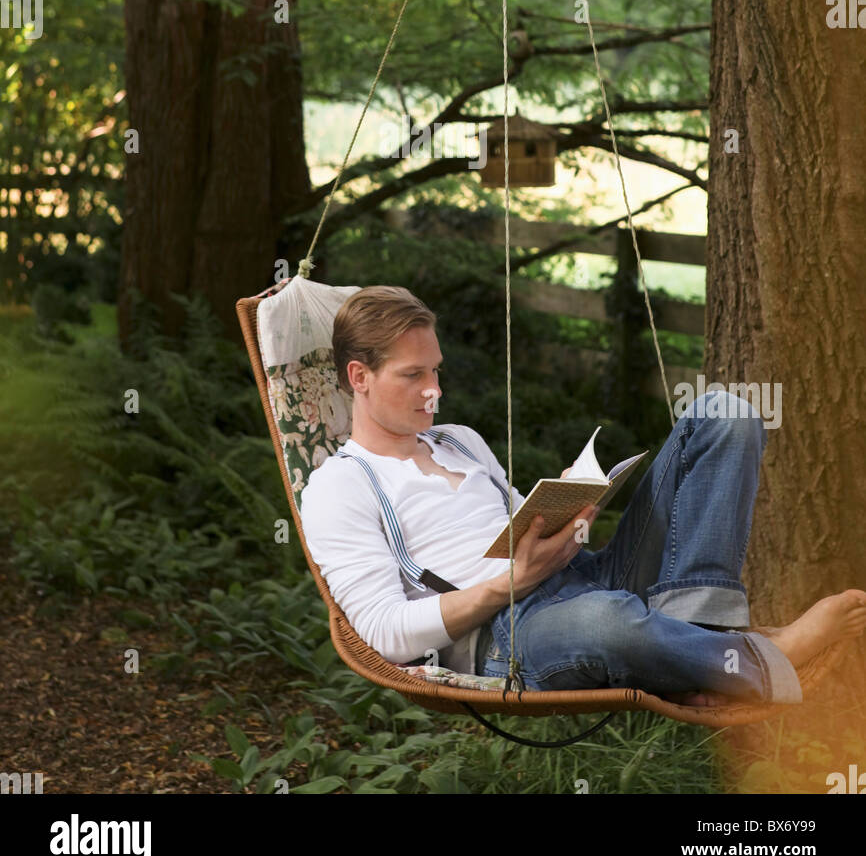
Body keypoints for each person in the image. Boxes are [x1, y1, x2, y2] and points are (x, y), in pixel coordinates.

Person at [300, 285, 866, 705]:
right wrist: (510, 585)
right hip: (507, 635)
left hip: (583, 578)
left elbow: (513, 527)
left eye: (437, 371)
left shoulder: (459, 441)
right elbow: (382, 632)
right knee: (604, 620)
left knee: (725, 415)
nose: (434, 392)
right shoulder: (340, 484)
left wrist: (568, 512)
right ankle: (766, 661)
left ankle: (709, 653)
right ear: (359, 376)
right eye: (413, 375)